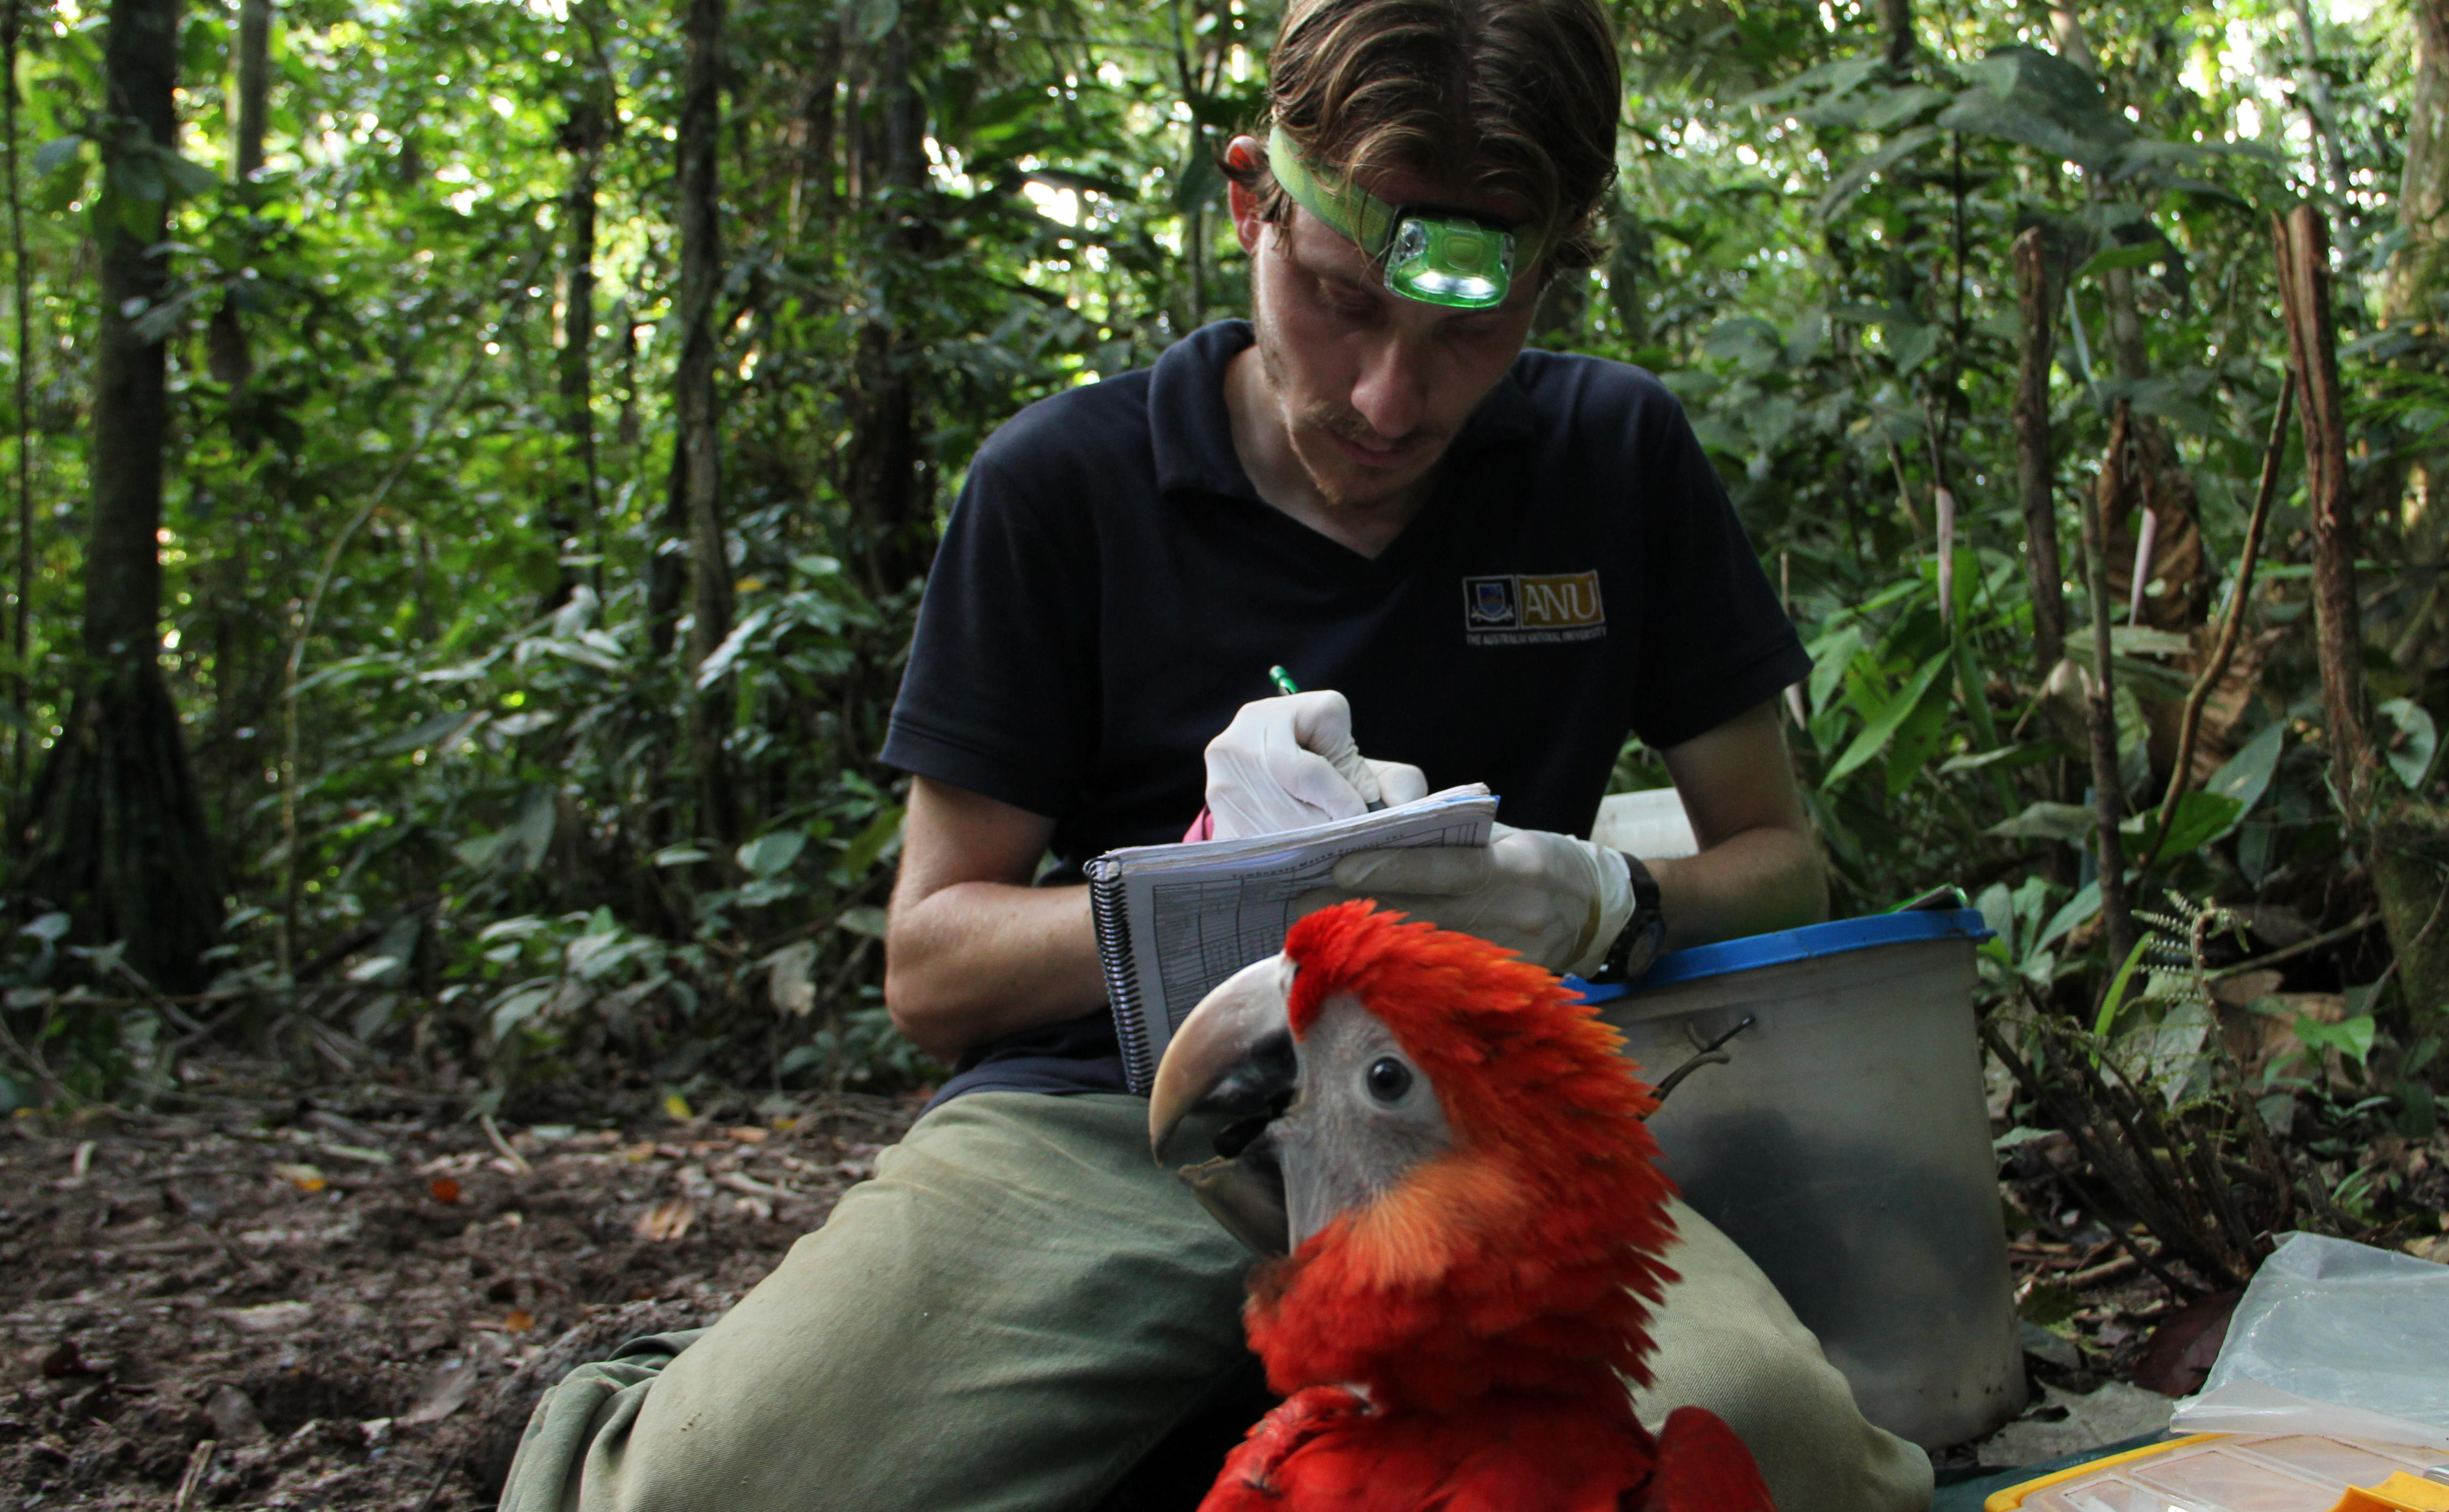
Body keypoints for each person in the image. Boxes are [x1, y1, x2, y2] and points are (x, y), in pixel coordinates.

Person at [498, 1, 1935, 1508]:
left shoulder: (1613, 455)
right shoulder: (1065, 484)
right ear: (1251, 198)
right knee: (709, 1491)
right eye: (1338, 300)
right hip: (1107, 1117)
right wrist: (1225, 898)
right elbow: (930, 965)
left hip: (1481, 1138)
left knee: (1764, 1443)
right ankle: (696, 1392)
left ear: (1560, 269)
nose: (1389, 398)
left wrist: (1592, 899)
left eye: (1471, 332)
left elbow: (1782, 864)